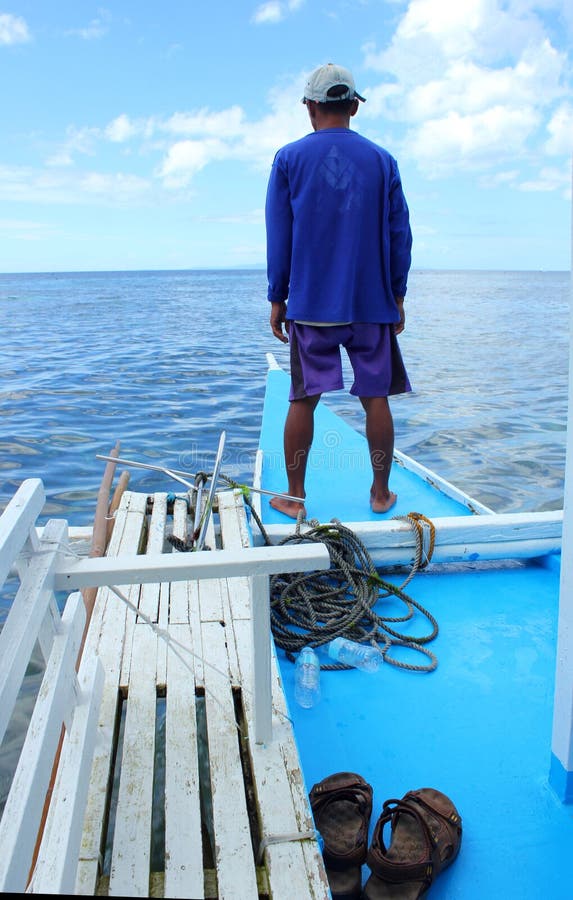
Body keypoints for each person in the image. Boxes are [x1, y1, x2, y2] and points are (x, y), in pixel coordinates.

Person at [265, 62, 412, 519]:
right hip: (371, 305)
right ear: (353, 106)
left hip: (311, 307)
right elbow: (400, 234)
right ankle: (380, 493)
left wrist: (277, 297)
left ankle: (294, 496)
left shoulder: (288, 159)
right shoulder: (383, 161)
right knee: (376, 398)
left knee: (302, 399)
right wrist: (397, 294)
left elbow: (279, 234)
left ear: (310, 108)